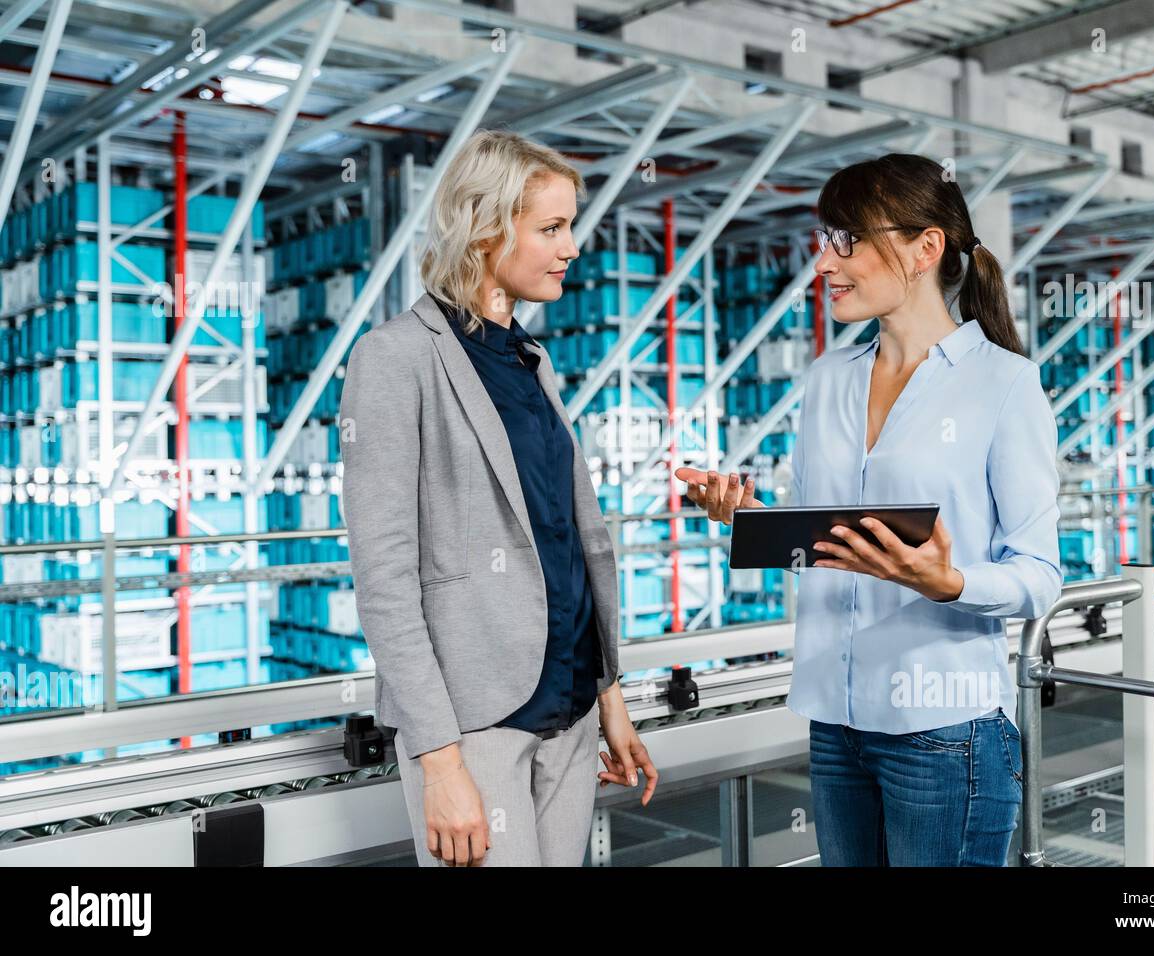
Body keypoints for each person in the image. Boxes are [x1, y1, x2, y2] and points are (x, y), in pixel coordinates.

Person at [676, 153, 1062, 866]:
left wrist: (949, 582)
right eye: (827, 239)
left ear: (925, 248)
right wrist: (747, 521)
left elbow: (1039, 573)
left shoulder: (1004, 385)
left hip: (943, 731)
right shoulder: (827, 380)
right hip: (836, 720)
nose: (826, 263)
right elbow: (824, 541)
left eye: (848, 240)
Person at [341, 129, 657, 867]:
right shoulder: (396, 358)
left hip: (571, 709)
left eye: (569, 226)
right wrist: (439, 761)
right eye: (551, 228)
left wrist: (609, 697)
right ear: (485, 229)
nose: (570, 246)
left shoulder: (530, 361)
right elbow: (385, 579)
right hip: (476, 724)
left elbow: (571, 542)